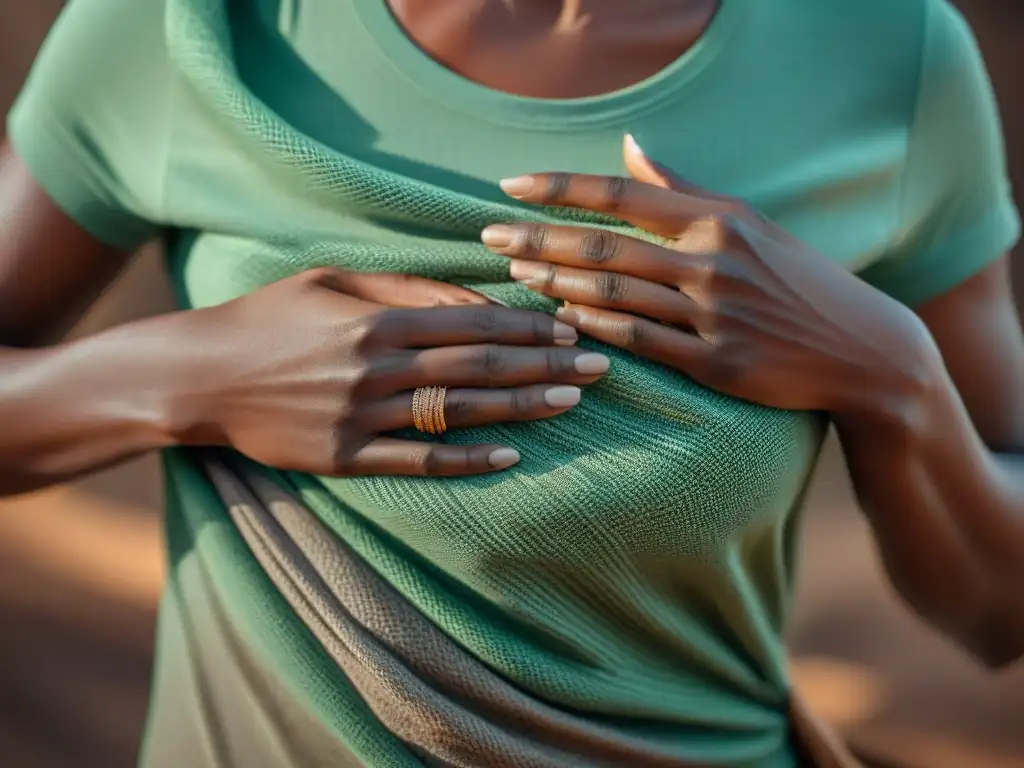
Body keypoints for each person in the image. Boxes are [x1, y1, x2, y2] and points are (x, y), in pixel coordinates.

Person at [2, 0, 1022, 765]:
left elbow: (997, 609)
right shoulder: (198, 25)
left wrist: (889, 373)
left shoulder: (887, 54)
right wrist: (187, 375)